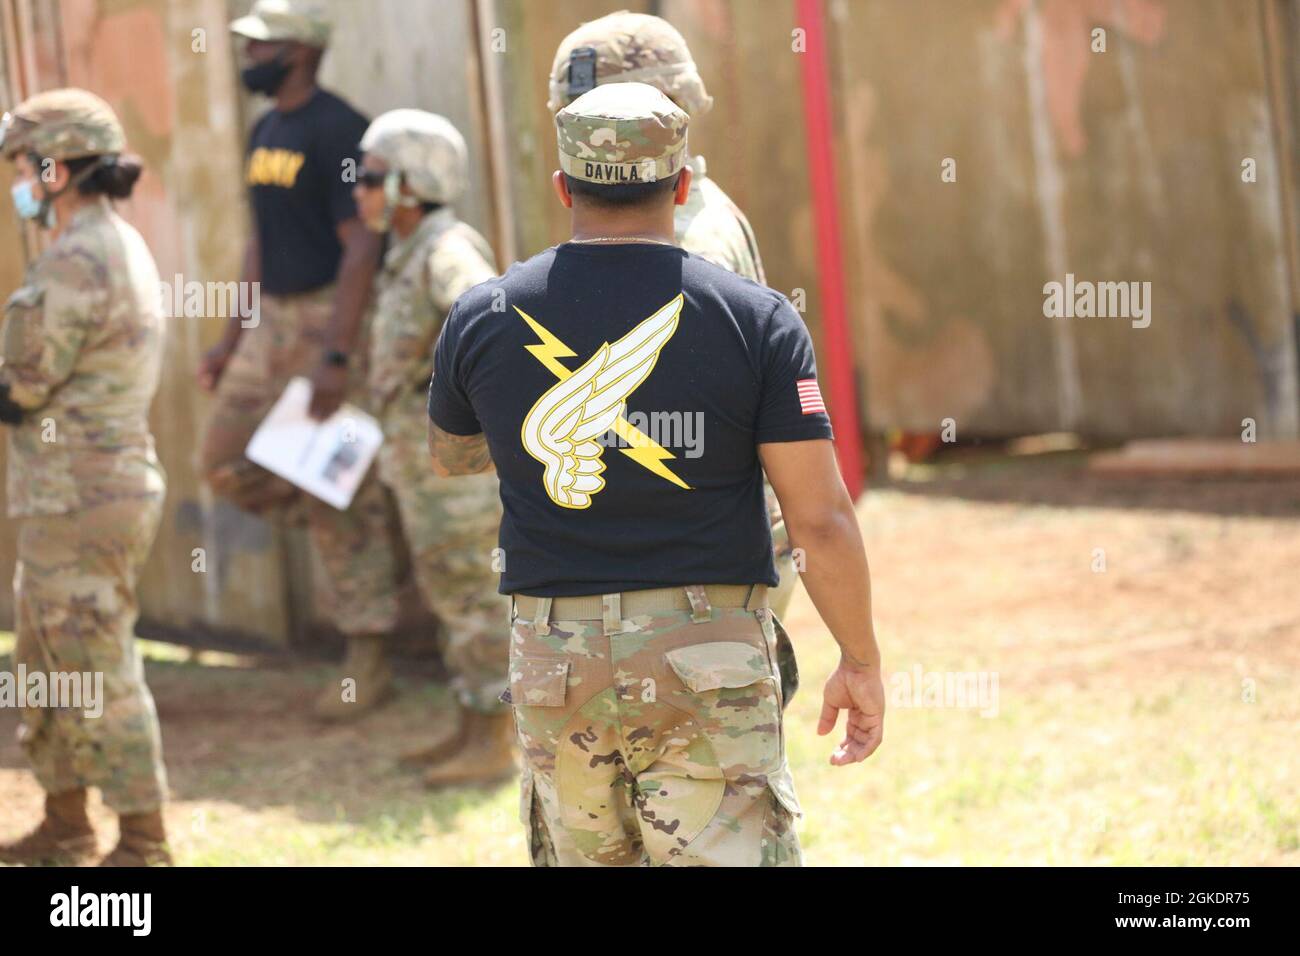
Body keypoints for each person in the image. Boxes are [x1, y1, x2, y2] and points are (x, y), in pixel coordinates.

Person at [426, 83, 885, 866]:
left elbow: (454, 454)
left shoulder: (485, 313)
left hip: (553, 660)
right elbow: (820, 520)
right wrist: (862, 660)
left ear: (564, 187)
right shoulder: (757, 318)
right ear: (680, 185)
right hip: (707, 657)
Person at [548, 11, 801, 700]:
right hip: (699, 553)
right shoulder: (683, 209)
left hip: (698, 564)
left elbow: (682, 424)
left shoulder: (685, 242)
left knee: (699, 776)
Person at [197, 0, 403, 720]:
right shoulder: (266, 130)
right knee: (224, 461)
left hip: (326, 321)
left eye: (264, 46)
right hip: (271, 325)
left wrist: (338, 354)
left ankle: (368, 660)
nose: (251, 56)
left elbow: (361, 245)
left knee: (335, 492)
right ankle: (374, 540)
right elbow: (258, 240)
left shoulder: (340, 128)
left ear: (303, 51)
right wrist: (231, 338)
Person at [0, 89, 171, 866]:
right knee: (44, 660)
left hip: (82, 497)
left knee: (95, 665)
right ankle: (65, 823)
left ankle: (143, 840)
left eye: (20, 165)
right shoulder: (110, 242)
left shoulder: (76, 256)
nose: (16, 182)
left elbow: (20, 387)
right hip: (74, 493)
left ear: (55, 167)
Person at [352, 109, 513, 788]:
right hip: (429, 470)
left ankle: (498, 743)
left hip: (458, 474)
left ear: (410, 185)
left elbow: (488, 319)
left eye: (370, 177)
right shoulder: (407, 252)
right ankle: (473, 727)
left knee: (476, 599)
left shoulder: (446, 248)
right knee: (455, 600)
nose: (357, 189)